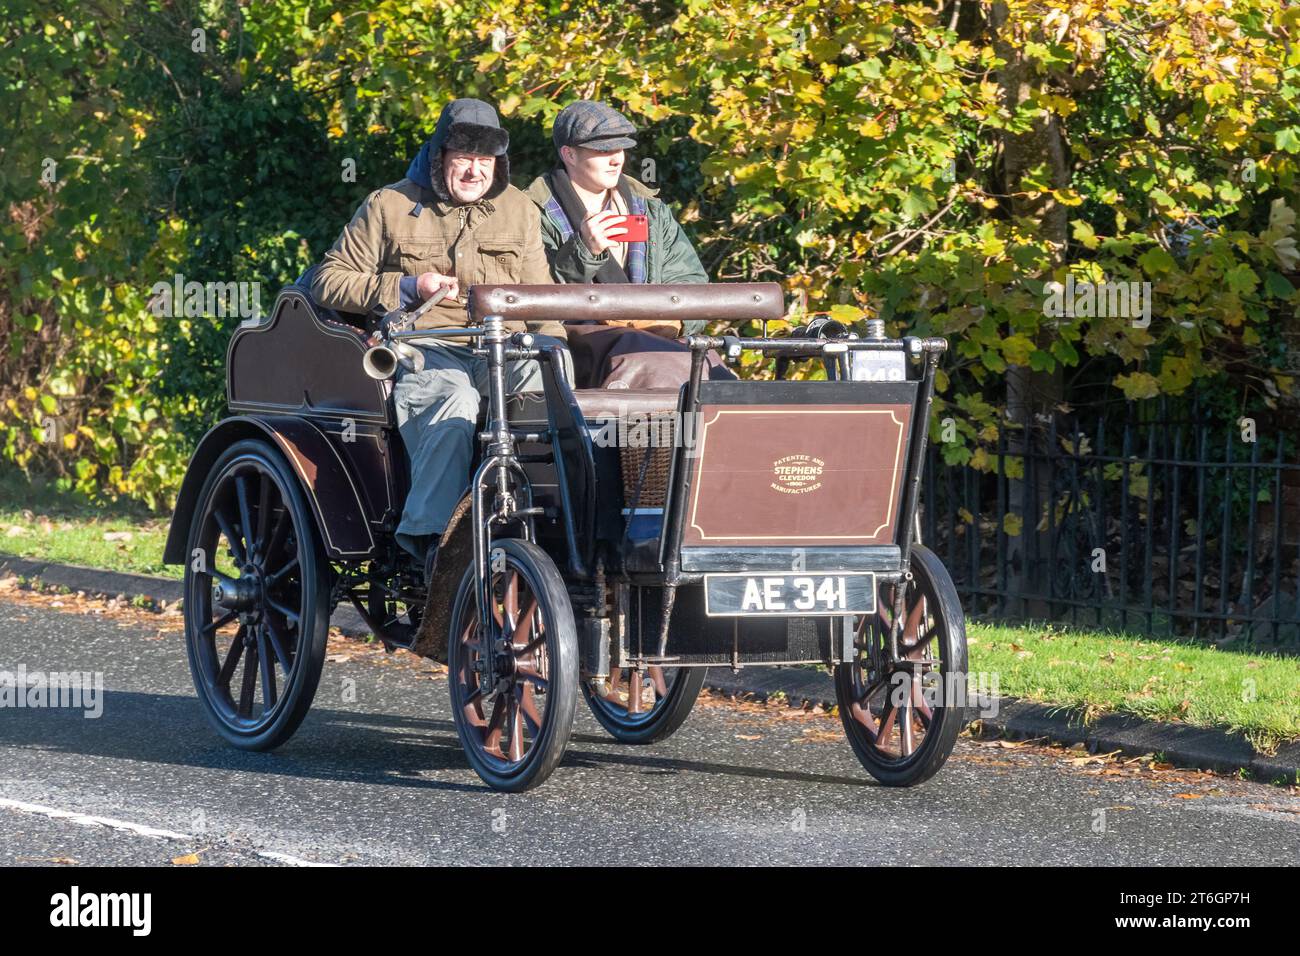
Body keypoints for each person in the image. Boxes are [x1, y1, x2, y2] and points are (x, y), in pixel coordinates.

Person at [311, 98, 571, 579]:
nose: (474, 171)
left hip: (505, 346)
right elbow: (329, 280)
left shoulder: (520, 209)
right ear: (439, 158)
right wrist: (407, 286)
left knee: (554, 398)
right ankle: (437, 547)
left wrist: (553, 350)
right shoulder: (388, 205)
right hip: (425, 348)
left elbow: (542, 298)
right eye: (463, 159)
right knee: (453, 401)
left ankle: (561, 535)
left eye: (485, 161)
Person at [524, 100, 733, 388]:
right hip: (575, 341)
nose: (616, 160)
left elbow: (691, 282)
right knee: (640, 351)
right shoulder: (531, 210)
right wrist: (585, 250)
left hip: (661, 338)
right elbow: (533, 296)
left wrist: (676, 323)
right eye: (603, 150)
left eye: (620, 149)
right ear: (569, 154)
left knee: (711, 367)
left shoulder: (650, 209)